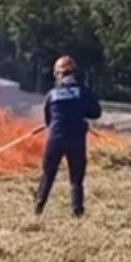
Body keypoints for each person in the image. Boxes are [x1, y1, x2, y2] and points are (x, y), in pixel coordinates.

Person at [35, 55, 101, 218]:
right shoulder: (83, 92)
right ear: (73, 72)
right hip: (76, 140)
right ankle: (76, 211)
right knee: (76, 178)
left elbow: (48, 120)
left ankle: (38, 207)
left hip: (55, 139)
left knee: (48, 174)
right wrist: (81, 115)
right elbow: (96, 112)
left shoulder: (52, 94)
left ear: (57, 74)